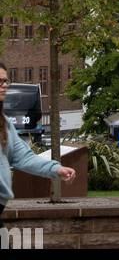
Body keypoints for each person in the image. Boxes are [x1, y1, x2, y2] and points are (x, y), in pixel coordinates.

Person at [0, 61, 76, 220]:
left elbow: (23, 157)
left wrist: (56, 169)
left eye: (6, 81)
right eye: (0, 82)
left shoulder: (4, 123)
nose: (5, 85)